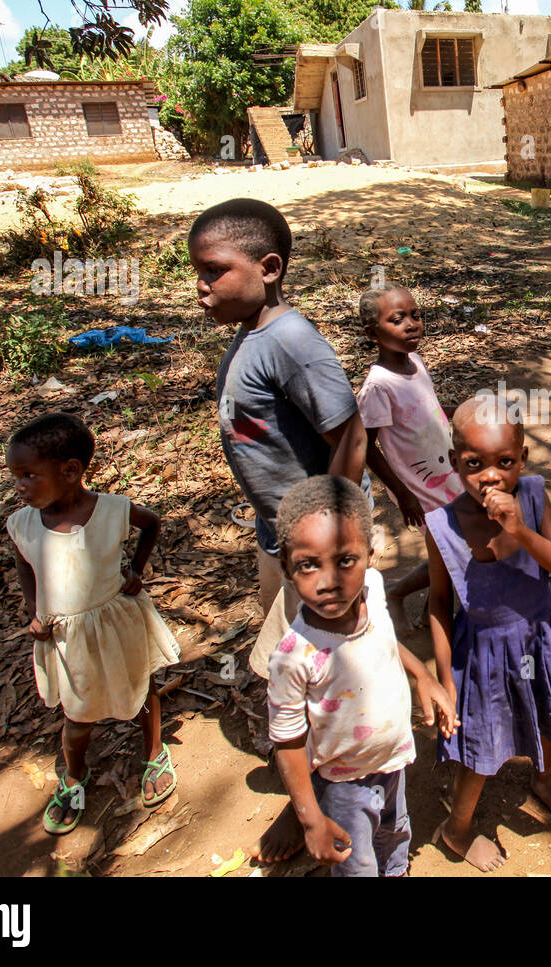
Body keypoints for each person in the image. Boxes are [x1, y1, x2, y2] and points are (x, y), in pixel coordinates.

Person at [189, 197, 368, 861]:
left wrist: (338, 542)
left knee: (317, 675)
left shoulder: (292, 342)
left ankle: (321, 803)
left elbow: (349, 433)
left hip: (317, 545)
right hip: (280, 535)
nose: (200, 286)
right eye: (197, 272)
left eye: (213, 270)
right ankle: (314, 780)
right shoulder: (253, 332)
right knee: (293, 666)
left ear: (268, 267)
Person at [425, 395, 551, 871]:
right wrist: (444, 681)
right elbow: (438, 604)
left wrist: (521, 531)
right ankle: (456, 830)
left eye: (505, 463)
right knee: (481, 745)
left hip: (535, 637)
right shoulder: (442, 526)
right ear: (455, 462)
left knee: (543, 712)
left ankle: (542, 781)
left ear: (523, 460)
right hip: (482, 655)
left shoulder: (534, 497)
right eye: (474, 464)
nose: (490, 476)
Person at [266, 475, 456, 876]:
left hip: (393, 763)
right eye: (308, 565)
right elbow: (286, 741)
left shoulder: (371, 586)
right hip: (342, 785)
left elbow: (383, 639)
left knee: (395, 837)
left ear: (369, 554)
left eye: (345, 560)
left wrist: (422, 674)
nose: (330, 581)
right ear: (286, 568)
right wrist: (310, 818)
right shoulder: (294, 656)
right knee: (357, 864)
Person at [5, 412, 180, 835]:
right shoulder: (24, 523)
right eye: (16, 476)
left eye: (28, 475)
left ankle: (154, 753)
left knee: (142, 688)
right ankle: (74, 775)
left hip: (116, 618)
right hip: (66, 636)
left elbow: (152, 523)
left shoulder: (110, 511)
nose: (19, 486)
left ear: (71, 471)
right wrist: (34, 611)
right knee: (78, 715)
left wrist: (136, 569)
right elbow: (24, 564)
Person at [355, 285, 463, 628]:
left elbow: (429, 414)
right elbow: (366, 447)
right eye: (397, 319)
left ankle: (425, 608)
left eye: (415, 315)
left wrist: (464, 411)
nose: (411, 324)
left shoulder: (415, 362)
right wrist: (403, 494)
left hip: (450, 474)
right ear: (373, 333)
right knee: (448, 555)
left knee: (450, 554)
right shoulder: (377, 387)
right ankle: (407, 600)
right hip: (421, 489)